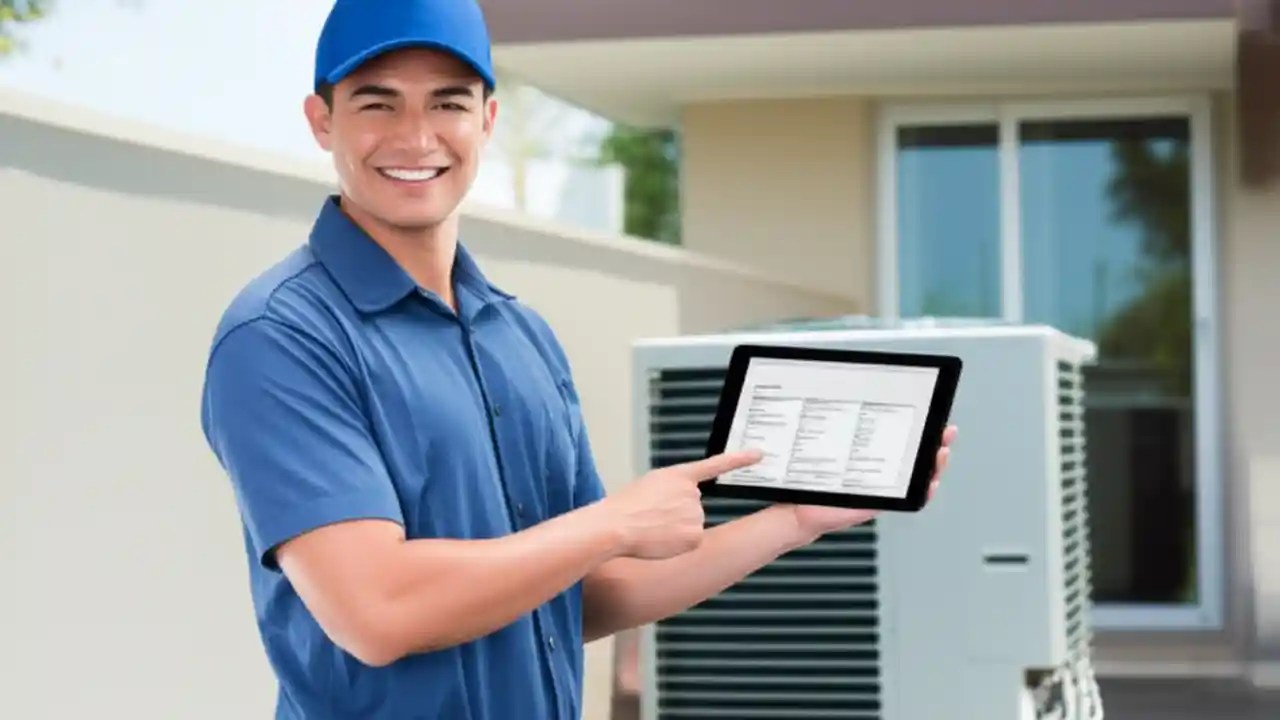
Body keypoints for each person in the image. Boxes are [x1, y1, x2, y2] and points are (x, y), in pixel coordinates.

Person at [199, 1, 958, 718]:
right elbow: (377, 610)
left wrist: (792, 520)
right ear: (321, 121)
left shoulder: (519, 337)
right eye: (378, 102)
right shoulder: (281, 336)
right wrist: (611, 522)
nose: (416, 135)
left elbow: (587, 589)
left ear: (487, 120)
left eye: (449, 103)